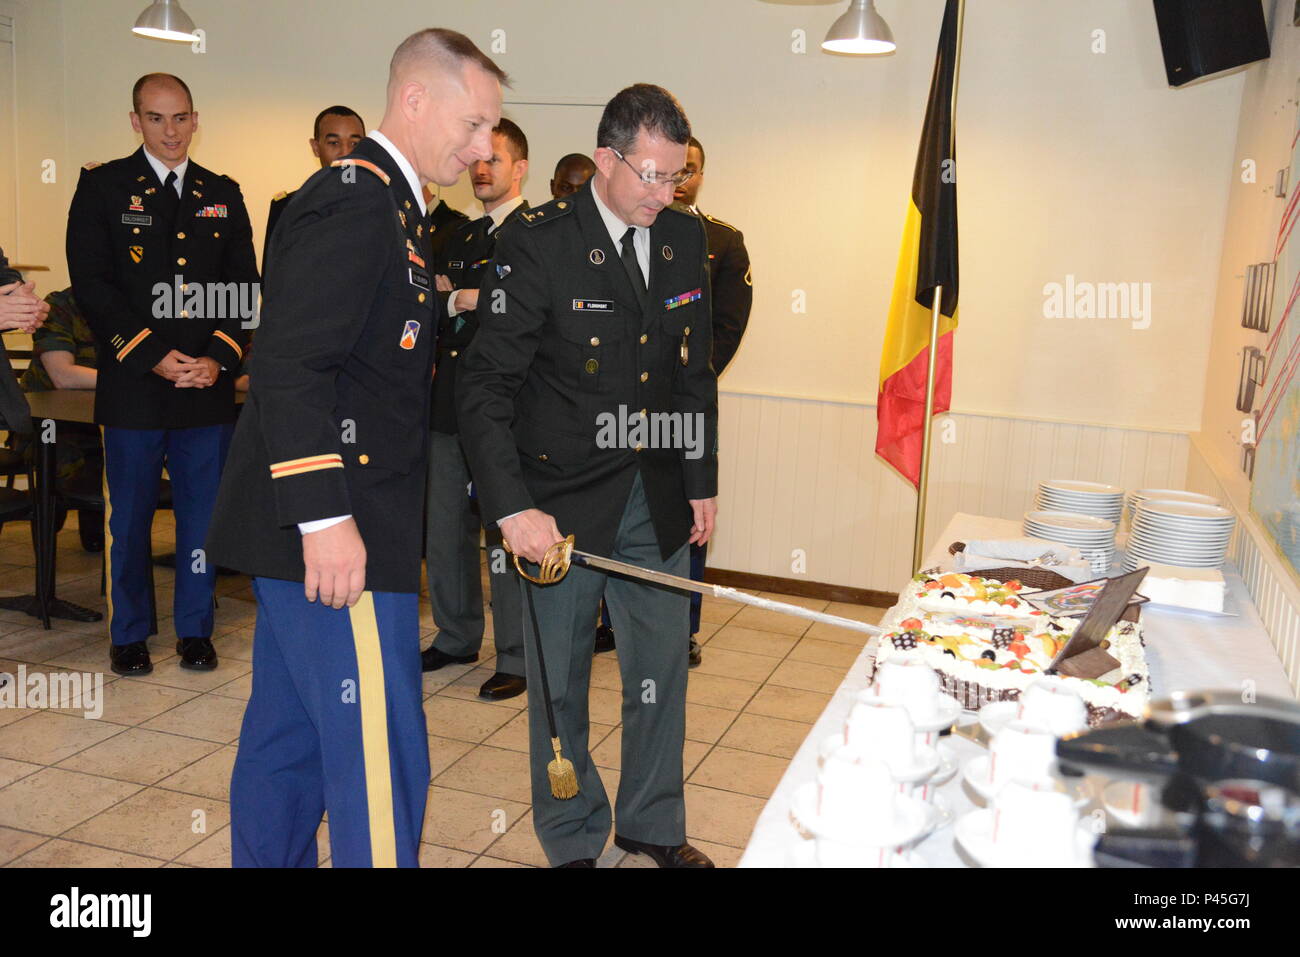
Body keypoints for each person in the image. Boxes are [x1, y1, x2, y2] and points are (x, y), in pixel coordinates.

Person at [206, 28, 505, 869]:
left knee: (288, 737)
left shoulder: (396, 206)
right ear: (415, 99)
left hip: (327, 526)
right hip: (336, 534)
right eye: (475, 123)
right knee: (379, 748)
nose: (484, 149)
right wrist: (325, 517)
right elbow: (293, 365)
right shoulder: (356, 197)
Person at [458, 83, 718, 868]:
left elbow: (693, 374)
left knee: (660, 673)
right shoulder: (540, 243)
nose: (663, 192)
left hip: (660, 494)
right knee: (562, 681)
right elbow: (483, 389)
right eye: (648, 174)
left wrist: (701, 478)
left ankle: (652, 824)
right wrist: (511, 510)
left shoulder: (681, 240)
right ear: (605, 160)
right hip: (559, 501)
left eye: (674, 177)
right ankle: (572, 835)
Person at [66, 73, 258, 677]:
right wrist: (149, 352)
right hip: (134, 388)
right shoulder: (103, 187)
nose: (170, 132)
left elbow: (244, 288)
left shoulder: (222, 193)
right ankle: (129, 635)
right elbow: (93, 286)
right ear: (135, 121)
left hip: (204, 390)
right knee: (131, 517)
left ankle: (196, 630)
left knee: (202, 521)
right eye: (156, 118)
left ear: (195, 120)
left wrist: (219, 359)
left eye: (180, 119)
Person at [601, 135, 754, 660]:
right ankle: (611, 617)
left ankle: (681, 627)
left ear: (700, 175)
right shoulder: (617, 233)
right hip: (616, 408)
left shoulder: (720, 241)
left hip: (676, 409)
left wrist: (678, 385)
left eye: (687, 171)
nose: (677, 182)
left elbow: (721, 334)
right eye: (667, 171)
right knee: (616, 510)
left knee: (686, 516)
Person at [422, 118, 529, 700]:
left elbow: (524, 311)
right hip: (448, 400)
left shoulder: (540, 234)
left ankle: (514, 651)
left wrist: (461, 296)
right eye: (477, 160)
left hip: (509, 407)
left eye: (496, 159)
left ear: (520, 168)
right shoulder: (457, 236)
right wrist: (461, 302)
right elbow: (424, 306)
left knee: (505, 529)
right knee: (444, 527)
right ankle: (456, 634)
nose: (482, 169)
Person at [15, 288, 103, 551]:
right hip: (49, 426)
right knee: (58, 473)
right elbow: (62, 376)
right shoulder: (61, 305)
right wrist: (132, 382)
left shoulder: (133, 306)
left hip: (101, 423)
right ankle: (45, 559)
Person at [264, 105, 365, 268]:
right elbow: (272, 283)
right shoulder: (287, 208)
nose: (345, 153)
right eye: (334, 143)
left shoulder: (385, 205)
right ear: (316, 147)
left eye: (354, 143)